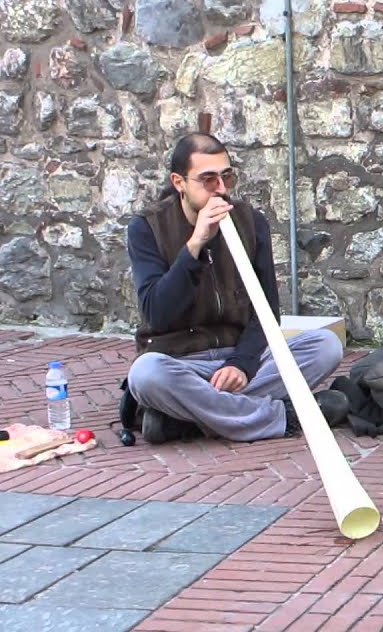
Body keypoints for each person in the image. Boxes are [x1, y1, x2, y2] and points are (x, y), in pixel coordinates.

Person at [125, 133, 347, 444]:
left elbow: (267, 309)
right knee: (146, 375)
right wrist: (195, 245)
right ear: (179, 182)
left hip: (242, 359)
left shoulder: (250, 221)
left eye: (226, 176)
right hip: (180, 362)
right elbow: (157, 314)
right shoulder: (147, 228)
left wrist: (242, 362)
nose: (221, 189)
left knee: (326, 346)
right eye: (208, 179)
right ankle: (282, 416)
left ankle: (187, 419)